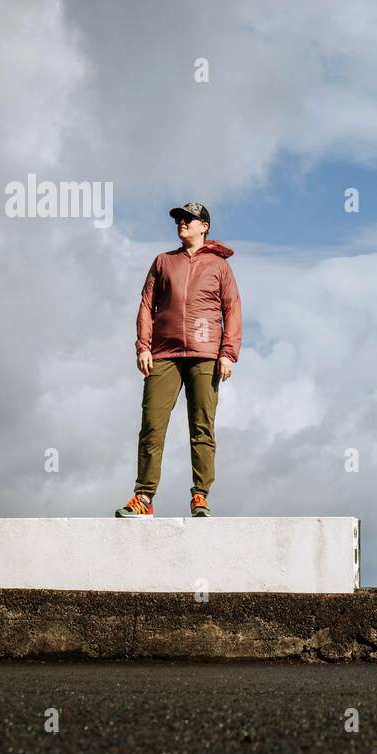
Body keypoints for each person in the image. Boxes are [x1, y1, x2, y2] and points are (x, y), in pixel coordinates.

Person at [115, 202, 242, 518]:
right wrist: (143, 347)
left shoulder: (219, 266)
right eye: (179, 219)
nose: (182, 222)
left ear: (204, 226)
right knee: (152, 425)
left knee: (202, 426)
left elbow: (232, 309)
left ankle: (200, 495)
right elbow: (147, 305)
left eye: (189, 219)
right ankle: (143, 497)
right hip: (164, 354)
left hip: (205, 354)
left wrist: (228, 353)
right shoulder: (163, 261)